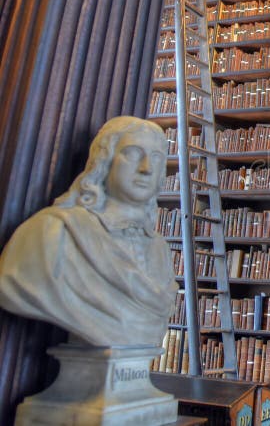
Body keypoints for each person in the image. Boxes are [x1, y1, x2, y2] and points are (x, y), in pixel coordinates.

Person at [0, 116, 177, 347]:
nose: (146, 168)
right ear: (105, 160)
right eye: (133, 153)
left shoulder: (159, 250)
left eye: (156, 158)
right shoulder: (54, 232)